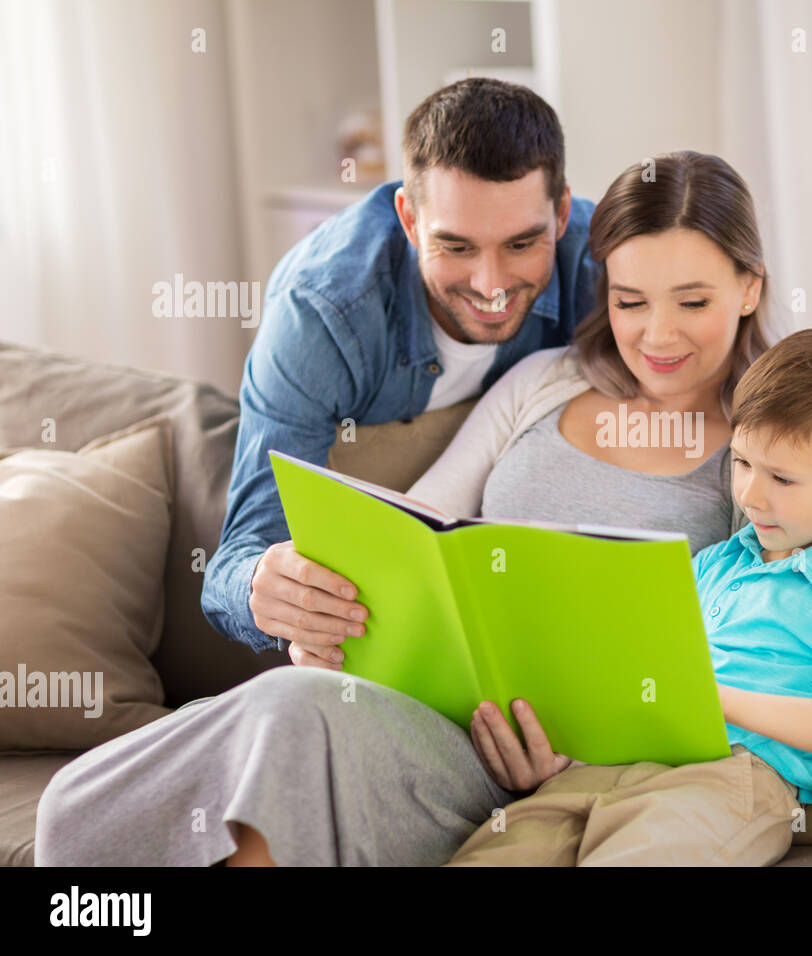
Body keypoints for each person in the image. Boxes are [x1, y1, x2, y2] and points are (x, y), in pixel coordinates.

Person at [35, 150, 772, 866]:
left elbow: (756, 654)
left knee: (289, 721)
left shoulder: (764, 453)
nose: (657, 335)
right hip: (423, 710)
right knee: (182, 751)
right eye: (629, 301)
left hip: (559, 763)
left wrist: (576, 756)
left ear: (749, 289)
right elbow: (415, 526)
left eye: (694, 302)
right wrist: (332, 605)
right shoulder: (547, 379)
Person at [445, 327, 812, 865]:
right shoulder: (717, 561)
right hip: (615, 762)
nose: (750, 493)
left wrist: (711, 697)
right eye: (744, 463)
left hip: (732, 777)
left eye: (783, 478)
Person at [200, 76, 599, 667]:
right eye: (457, 247)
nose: (491, 284)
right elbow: (232, 567)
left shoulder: (606, 266)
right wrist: (267, 587)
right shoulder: (322, 312)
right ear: (409, 221)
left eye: (521, 244)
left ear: (561, 213)